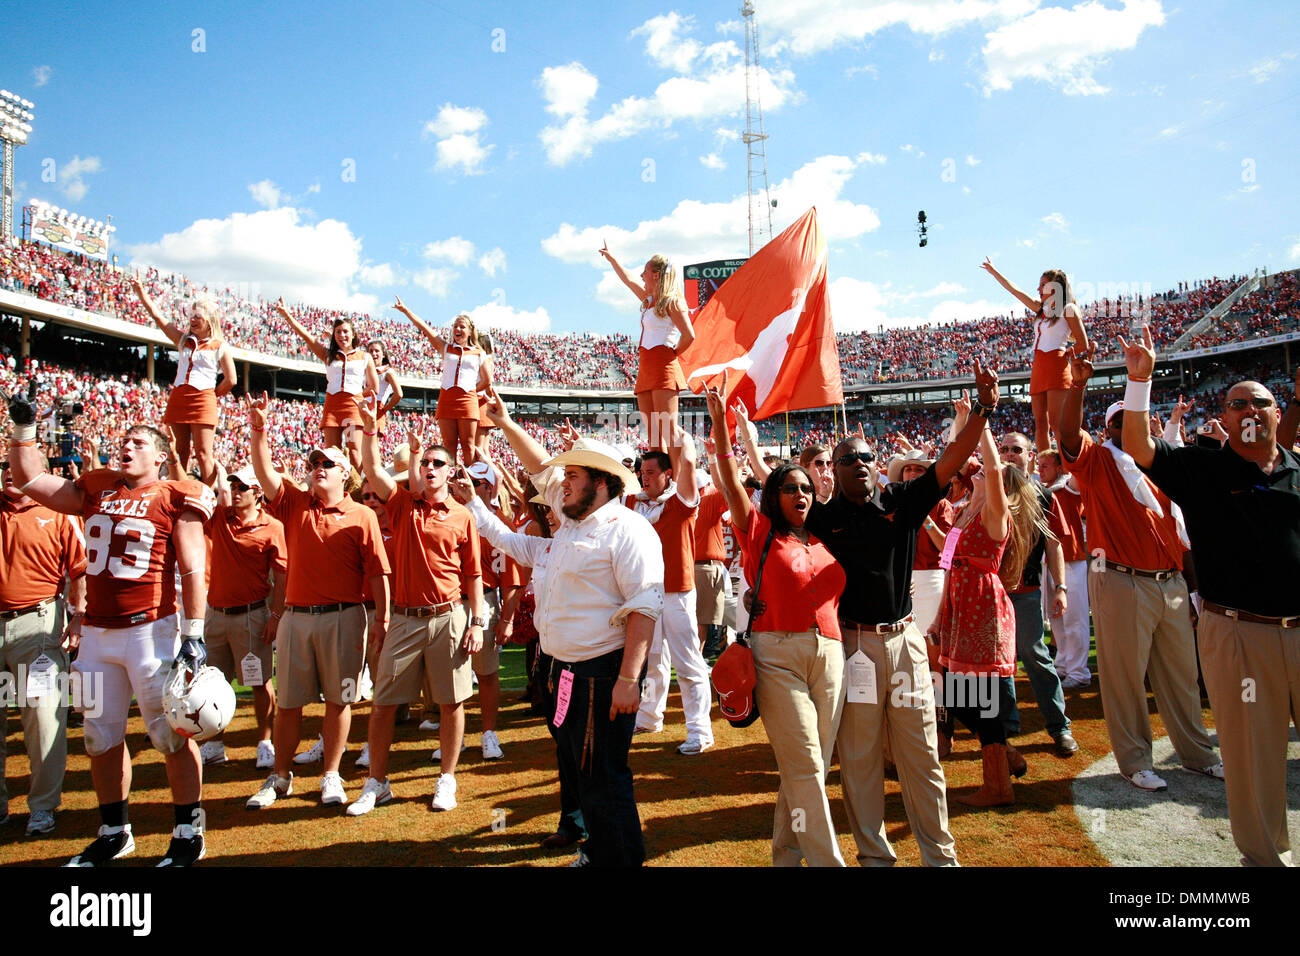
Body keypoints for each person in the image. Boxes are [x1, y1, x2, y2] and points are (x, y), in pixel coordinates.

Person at [794, 367, 998, 865]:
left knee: (922, 755)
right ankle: (875, 858)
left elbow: (951, 461)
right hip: (852, 648)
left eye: (866, 456)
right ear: (833, 471)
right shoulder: (821, 517)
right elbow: (766, 489)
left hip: (904, 644)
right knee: (861, 761)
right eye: (848, 459)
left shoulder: (904, 502)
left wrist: (984, 411)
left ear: (875, 463)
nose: (859, 464)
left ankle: (940, 857)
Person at [1121, 327, 1299, 866]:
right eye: (1237, 402)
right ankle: (1264, 860)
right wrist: (1138, 380)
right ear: (1224, 416)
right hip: (1239, 633)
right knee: (1250, 756)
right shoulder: (1202, 470)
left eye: (1259, 401)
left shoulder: (1297, 471)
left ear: (1276, 412)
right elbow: (1139, 446)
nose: (1249, 409)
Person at [8, 408, 215, 867]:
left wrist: (194, 633)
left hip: (150, 630)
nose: (128, 445)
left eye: (140, 442)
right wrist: (23, 427)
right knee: (100, 738)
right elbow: (28, 478)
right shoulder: (97, 491)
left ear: (162, 457)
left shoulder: (175, 494)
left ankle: (187, 830)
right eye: (125, 439)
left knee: (171, 735)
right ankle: (114, 831)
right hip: (99, 633)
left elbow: (193, 566)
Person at [479, 388, 663, 866]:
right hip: (565, 670)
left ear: (601, 483)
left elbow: (645, 607)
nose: (561, 484)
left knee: (604, 774)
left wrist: (628, 679)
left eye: (574, 476)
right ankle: (601, 849)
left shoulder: (628, 528)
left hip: (603, 673)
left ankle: (618, 858)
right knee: (585, 774)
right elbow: (542, 468)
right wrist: (505, 423)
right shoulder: (574, 521)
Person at [1059, 345, 1223, 792]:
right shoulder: (1097, 461)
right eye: (1117, 421)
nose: (1126, 426)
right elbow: (1068, 435)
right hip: (1121, 578)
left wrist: (1193, 589)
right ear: (1109, 430)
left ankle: (1196, 753)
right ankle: (1135, 761)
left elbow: (1182, 535)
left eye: (1133, 418)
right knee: (1126, 678)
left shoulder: (1166, 466)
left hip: (1169, 581)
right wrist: (1076, 386)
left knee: (1182, 676)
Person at [706, 370, 846, 867]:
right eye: (790, 488)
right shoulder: (759, 530)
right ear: (774, 495)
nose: (801, 495)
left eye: (807, 488)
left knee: (808, 767)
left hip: (831, 654)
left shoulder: (828, 537)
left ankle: (786, 855)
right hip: (775, 653)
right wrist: (723, 428)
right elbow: (727, 474)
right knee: (807, 761)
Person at [243, 394, 391, 812]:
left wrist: (383, 621)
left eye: (327, 464)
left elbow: (379, 573)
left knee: (339, 700)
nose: (318, 469)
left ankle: (331, 774)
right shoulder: (293, 503)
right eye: (314, 463)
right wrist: (259, 432)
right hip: (296, 618)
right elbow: (265, 473)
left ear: (346, 474)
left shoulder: (363, 515)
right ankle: (281, 776)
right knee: (288, 703)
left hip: (346, 618)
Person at [347, 396, 485, 815]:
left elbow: (474, 575)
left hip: (448, 617)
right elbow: (372, 471)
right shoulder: (403, 503)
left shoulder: (463, 516)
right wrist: (370, 432)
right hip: (405, 619)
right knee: (384, 703)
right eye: (425, 463)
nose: (429, 468)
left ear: (449, 471)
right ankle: (377, 781)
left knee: (451, 703)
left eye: (437, 464)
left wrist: (477, 622)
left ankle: (446, 779)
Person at [932, 422, 1048, 806]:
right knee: (960, 695)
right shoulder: (964, 511)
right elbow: (948, 562)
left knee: (981, 698)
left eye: (986, 469)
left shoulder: (997, 513)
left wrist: (979, 423)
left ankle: (998, 783)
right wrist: (939, 614)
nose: (979, 470)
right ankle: (1004, 756)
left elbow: (995, 469)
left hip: (983, 606)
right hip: (959, 606)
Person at [0, 457, 87, 837]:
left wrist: (80, 615)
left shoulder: (58, 511)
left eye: (14, 467)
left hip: (38, 624)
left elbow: (81, 567)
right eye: (3, 466)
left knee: (43, 721)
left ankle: (42, 807)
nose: (7, 471)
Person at [995, 432, 1078, 761]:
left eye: (1018, 449)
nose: (1011, 454)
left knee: (1035, 657)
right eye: (1005, 449)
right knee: (995, 664)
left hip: (1026, 592)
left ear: (1030, 456)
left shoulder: (1043, 495)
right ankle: (1003, 726)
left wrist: (1061, 587)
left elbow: (1054, 542)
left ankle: (1059, 726)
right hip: (990, 594)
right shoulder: (984, 491)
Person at [199, 464, 287, 770]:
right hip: (216, 615)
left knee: (259, 681)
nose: (234, 492)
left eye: (241, 488)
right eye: (232, 486)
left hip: (252, 616)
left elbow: (283, 575)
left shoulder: (272, 527)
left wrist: (276, 616)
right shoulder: (220, 518)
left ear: (257, 493)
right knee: (211, 682)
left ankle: (265, 742)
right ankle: (214, 743)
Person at [130, 279, 237, 484]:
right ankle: (178, 491)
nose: (193, 320)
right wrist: (142, 294)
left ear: (209, 320)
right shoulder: (182, 340)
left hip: (203, 399)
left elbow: (231, 379)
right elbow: (159, 318)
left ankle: (208, 498)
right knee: (178, 451)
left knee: (204, 452)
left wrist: (212, 394)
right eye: (191, 316)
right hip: (179, 396)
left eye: (198, 316)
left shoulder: (219, 345)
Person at [980, 259, 1089, 455]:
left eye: (1042, 285)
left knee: (1057, 423)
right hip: (1039, 365)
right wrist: (994, 272)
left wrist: (1070, 355)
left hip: (1057, 363)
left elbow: (1083, 344)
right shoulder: (1041, 309)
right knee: (1040, 423)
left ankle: (1066, 467)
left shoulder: (1069, 309)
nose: (1038, 289)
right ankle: (1045, 464)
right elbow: (1015, 291)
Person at [598, 244, 694, 451]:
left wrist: (672, 354)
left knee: (669, 432)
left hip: (663, 364)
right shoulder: (648, 300)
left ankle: (679, 480)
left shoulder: (672, 302)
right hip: (646, 367)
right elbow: (628, 280)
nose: (641, 275)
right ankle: (660, 481)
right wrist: (612, 259)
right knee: (653, 437)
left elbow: (689, 335)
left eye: (646, 271)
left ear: (657, 275)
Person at [274, 298, 379, 470]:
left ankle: (357, 490)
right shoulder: (328, 355)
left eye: (345, 331)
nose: (342, 335)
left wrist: (358, 397)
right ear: (334, 335)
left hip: (353, 407)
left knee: (354, 451)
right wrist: (287, 315)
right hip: (332, 406)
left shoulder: (364, 357)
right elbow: (306, 337)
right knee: (332, 452)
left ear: (353, 334)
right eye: (337, 332)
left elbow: (373, 387)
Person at [394, 298, 489, 465]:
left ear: (469, 331)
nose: (457, 329)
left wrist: (471, 392)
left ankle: (472, 483)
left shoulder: (478, 353)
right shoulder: (445, 347)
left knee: (468, 445)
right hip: (446, 400)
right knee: (448, 446)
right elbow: (424, 327)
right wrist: (406, 310)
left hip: (468, 401)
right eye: (455, 326)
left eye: (462, 326)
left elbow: (487, 381)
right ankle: (449, 481)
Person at [1037, 448, 1091, 688]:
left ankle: (1079, 673)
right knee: (1056, 619)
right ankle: (1063, 665)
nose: (1040, 469)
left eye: (1046, 465)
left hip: (1073, 559)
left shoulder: (1069, 486)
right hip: (1049, 561)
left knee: (1075, 619)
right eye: (1039, 465)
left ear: (1060, 467)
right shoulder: (1042, 491)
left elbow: (1078, 471)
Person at [367, 339, 404, 439]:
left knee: (371, 445)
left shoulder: (387, 371)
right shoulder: (365, 370)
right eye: (370, 351)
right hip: (363, 408)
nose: (373, 353)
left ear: (383, 354)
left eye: (377, 351)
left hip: (376, 407)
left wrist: (384, 409)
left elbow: (399, 394)